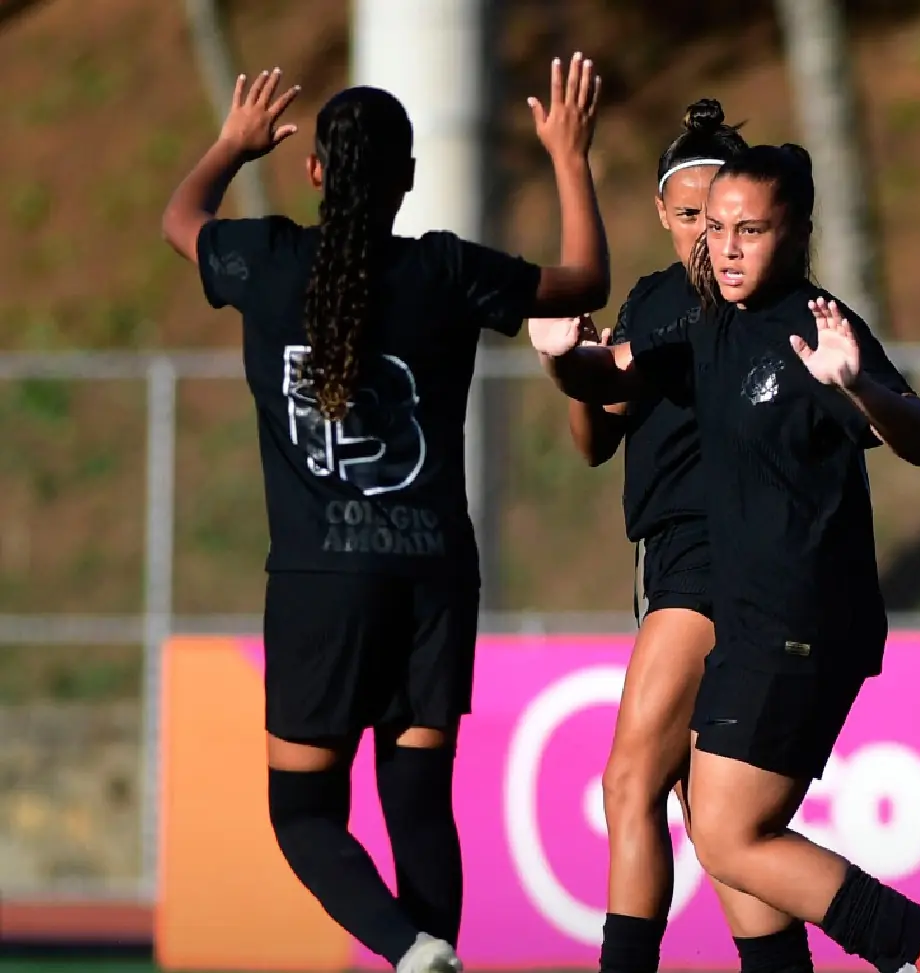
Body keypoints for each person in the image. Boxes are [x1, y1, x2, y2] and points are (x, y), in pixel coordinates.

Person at [161, 55, 608, 973]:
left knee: (306, 815)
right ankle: (428, 950)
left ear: (315, 171)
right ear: (408, 178)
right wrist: (569, 153)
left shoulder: (270, 259)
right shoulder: (446, 269)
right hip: (436, 574)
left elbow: (180, 221)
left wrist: (231, 145)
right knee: (417, 804)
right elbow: (585, 282)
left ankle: (409, 950)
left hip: (321, 583)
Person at [529, 144, 920, 973]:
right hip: (751, 622)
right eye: (716, 229)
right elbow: (611, 378)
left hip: (807, 617)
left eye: (751, 229)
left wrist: (862, 388)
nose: (728, 248)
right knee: (723, 832)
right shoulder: (707, 319)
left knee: (725, 830)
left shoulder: (818, 329)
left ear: (797, 233)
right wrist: (562, 355)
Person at [560, 101, 817, 973]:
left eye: (731, 217)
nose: (714, 236)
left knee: (629, 781)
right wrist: (576, 367)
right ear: (667, 217)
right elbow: (597, 436)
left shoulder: (763, 307)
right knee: (710, 814)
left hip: (715, 561)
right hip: (666, 556)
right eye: (692, 215)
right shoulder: (657, 300)